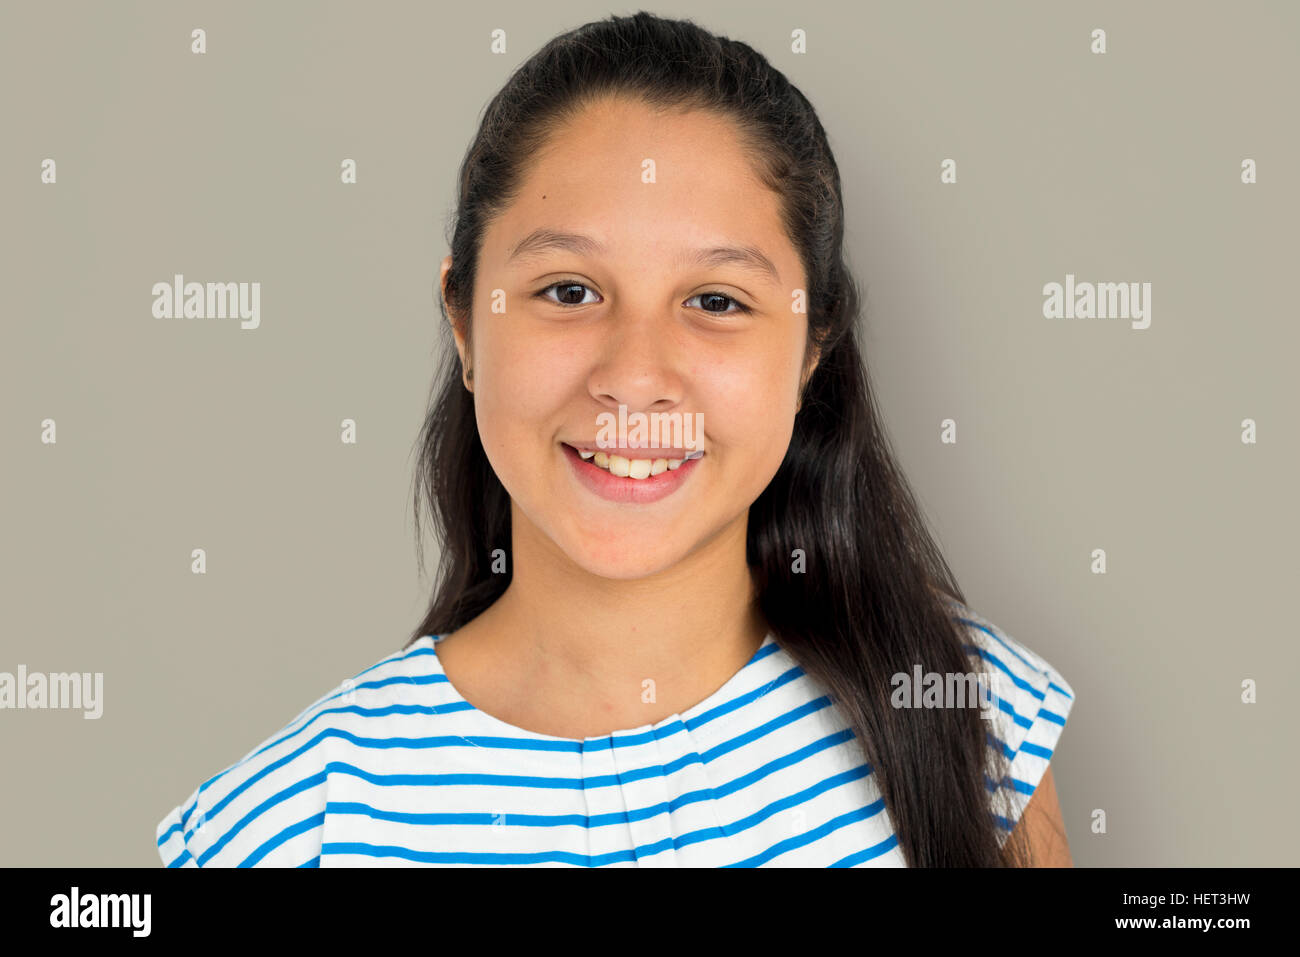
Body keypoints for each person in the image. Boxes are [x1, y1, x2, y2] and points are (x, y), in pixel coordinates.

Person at [156, 10, 1074, 868]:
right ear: (466, 322)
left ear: (811, 349)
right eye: (567, 291)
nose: (636, 377)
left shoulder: (967, 716)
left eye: (716, 302)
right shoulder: (286, 824)